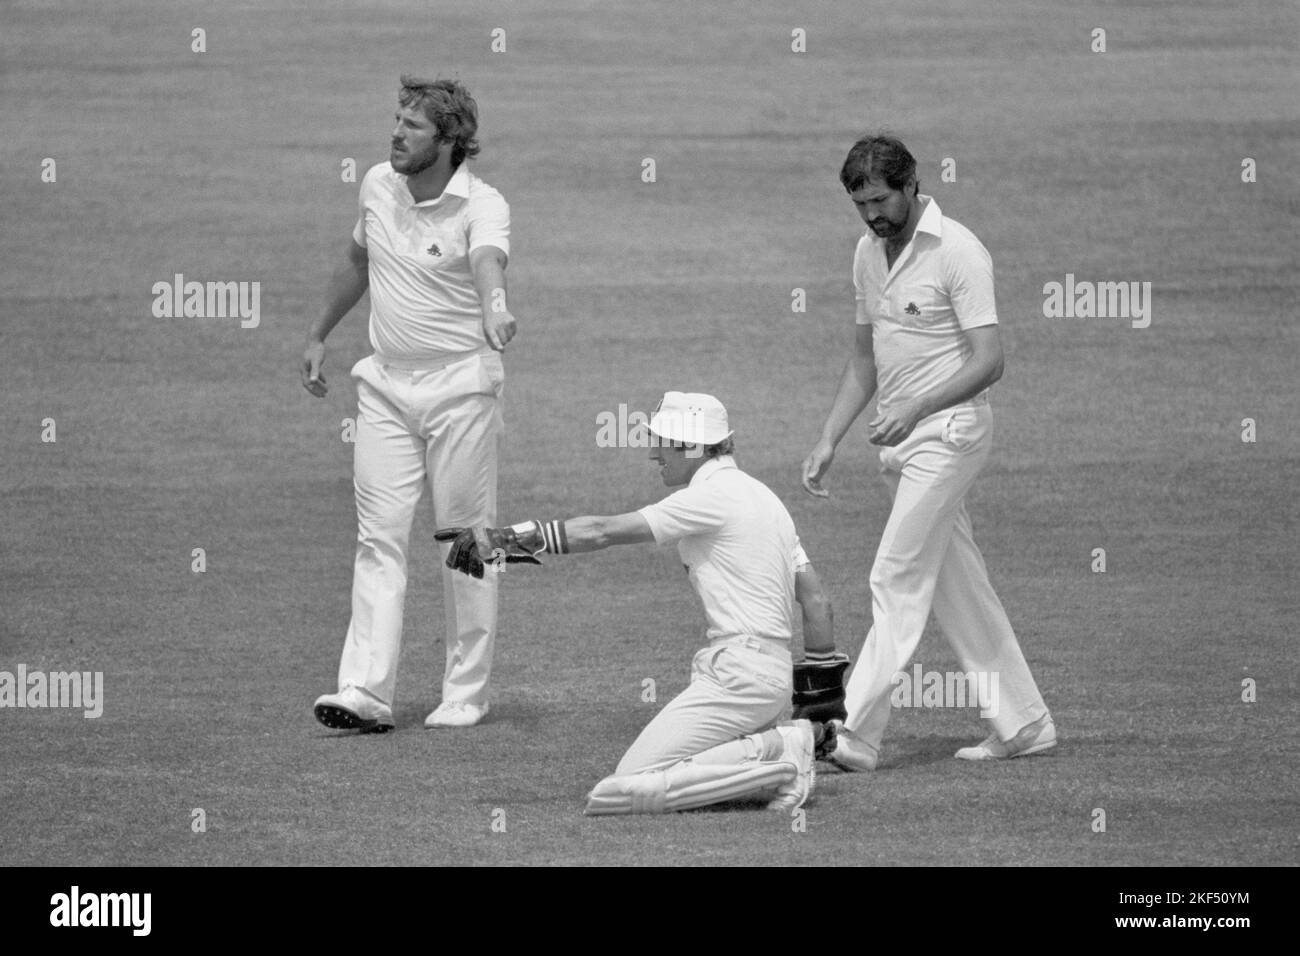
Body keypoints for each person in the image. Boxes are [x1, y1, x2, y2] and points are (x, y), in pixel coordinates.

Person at [438, 392, 843, 814]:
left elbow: (600, 531)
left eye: (663, 442)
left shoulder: (711, 496)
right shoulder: (768, 501)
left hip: (739, 678)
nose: (654, 454)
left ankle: (784, 748)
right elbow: (817, 602)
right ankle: (781, 749)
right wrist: (820, 701)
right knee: (680, 772)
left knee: (625, 787)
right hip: (767, 678)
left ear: (692, 445)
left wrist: (501, 540)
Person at [801, 134, 1055, 770]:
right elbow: (865, 357)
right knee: (957, 587)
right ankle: (1023, 722)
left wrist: (917, 408)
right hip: (903, 445)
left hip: (950, 435)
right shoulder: (867, 253)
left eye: (880, 200)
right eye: (859, 204)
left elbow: (990, 361)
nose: (870, 215)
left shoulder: (959, 251)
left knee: (895, 578)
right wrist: (829, 436)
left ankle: (852, 735)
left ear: (912, 185)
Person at [302, 76, 517, 732]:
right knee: (377, 539)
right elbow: (357, 261)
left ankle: (466, 694)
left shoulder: (484, 204)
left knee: (466, 544)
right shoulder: (376, 185)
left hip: (462, 391)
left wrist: (496, 308)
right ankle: (364, 692)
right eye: (396, 120)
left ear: (450, 142)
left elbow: (487, 262)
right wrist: (318, 334)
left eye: (412, 126)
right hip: (385, 390)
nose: (396, 133)